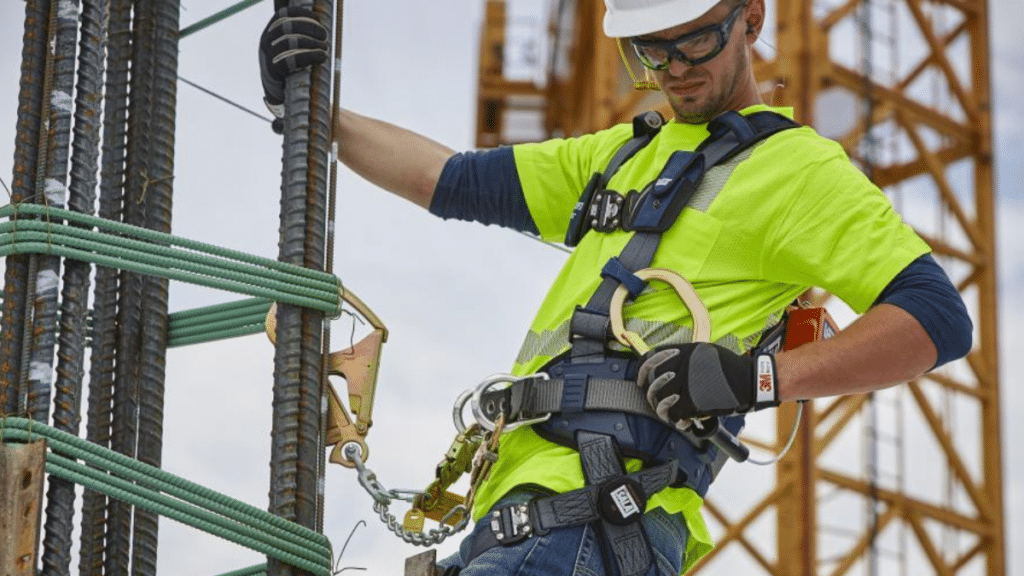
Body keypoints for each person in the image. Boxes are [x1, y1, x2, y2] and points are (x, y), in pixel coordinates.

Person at [259, 1, 972, 575]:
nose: (674, 68)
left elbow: (935, 319)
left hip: (592, 522)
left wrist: (752, 377)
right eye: (650, 51)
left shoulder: (800, 172)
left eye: (695, 40)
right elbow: (448, 180)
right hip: (522, 522)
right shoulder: (626, 153)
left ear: (751, 18)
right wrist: (315, 107)